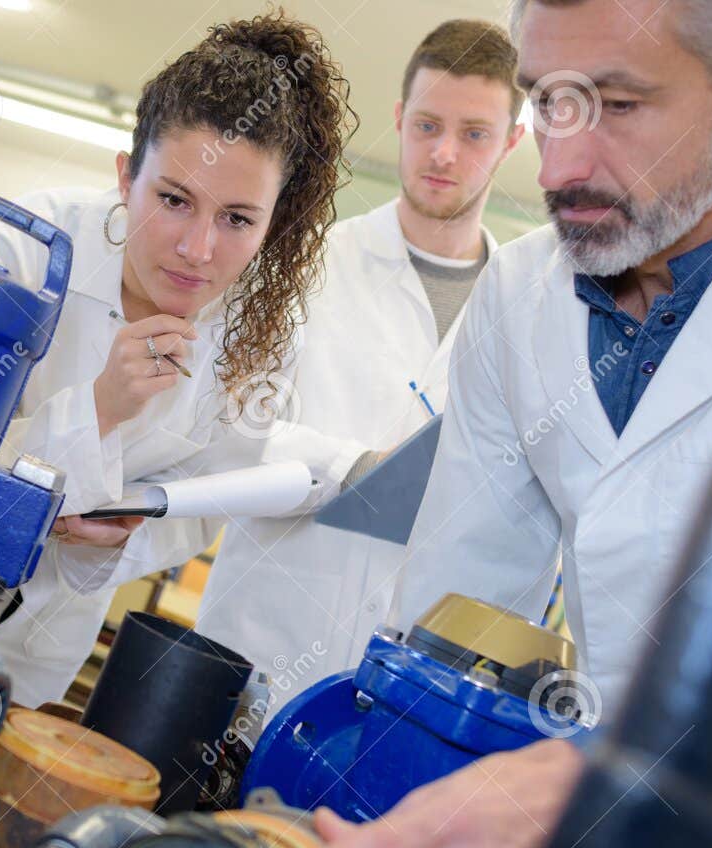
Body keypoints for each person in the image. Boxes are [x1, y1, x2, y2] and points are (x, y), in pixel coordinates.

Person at [297, 0, 712, 848]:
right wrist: (387, 818)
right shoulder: (519, 296)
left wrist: (623, 782)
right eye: (546, 103)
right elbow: (459, 611)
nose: (555, 170)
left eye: (619, 106)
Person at [0, 14, 356, 709]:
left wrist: (115, 544)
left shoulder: (258, 339)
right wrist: (100, 407)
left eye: (238, 219)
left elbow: (207, 501)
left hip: (35, 653)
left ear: (272, 224)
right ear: (125, 177)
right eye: (174, 200)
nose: (198, 249)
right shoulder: (19, 253)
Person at [194, 20, 525, 712]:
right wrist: (355, 471)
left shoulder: (524, 317)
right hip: (260, 663)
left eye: (474, 134)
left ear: (512, 143)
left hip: (411, 697)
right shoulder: (303, 265)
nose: (444, 152)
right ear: (400, 119)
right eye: (429, 124)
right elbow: (222, 431)